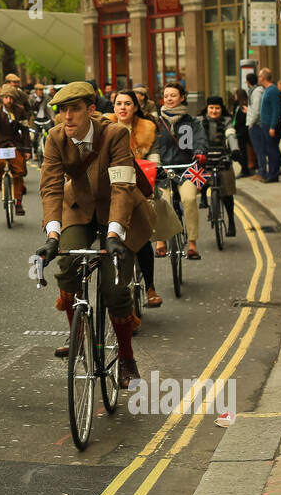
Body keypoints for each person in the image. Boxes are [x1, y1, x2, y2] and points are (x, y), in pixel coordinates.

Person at [36, 82, 154, 385]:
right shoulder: (55, 137)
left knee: (115, 288)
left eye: (74, 109)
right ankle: (81, 335)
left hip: (120, 210)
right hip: (79, 207)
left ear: (90, 110)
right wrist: (52, 235)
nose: (67, 117)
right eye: (62, 110)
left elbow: (123, 186)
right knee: (67, 266)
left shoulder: (115, 134)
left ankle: (127, 357)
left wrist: (114, 234)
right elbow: (50, 188)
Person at [107, 89, 163, 305]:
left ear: (136, 107)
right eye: (118, 103)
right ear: (113, 107)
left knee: (140, 238)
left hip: (139, 187)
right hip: (112, 189)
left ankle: (150, 287)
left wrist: (154, 170)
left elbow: (153, 157)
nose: (122, 107)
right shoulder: (105, 127)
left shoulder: (148, 128)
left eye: (127, 103)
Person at [154, 81, 207, 259]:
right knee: (161, 202)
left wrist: (199, 152)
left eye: (173, 95)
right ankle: (160, 240)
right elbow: (149, 145)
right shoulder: (155, 122)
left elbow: (200, 140)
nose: (169, 99)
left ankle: (192, 244)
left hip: (186, 170)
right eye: (166, 95)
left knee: (190, 199)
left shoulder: (192, 122)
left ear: (182, 97)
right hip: (162, 171)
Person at [199, 94, 239, 233]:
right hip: (205, 156)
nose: (214, 111)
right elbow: (196, 138)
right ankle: (203, 195)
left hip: (223, 156)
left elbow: (231, 135)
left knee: (227, 191)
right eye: (211, 108)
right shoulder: (200, 121)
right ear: (207, 108)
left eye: (217, 108)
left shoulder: (227, 120)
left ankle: (232, 222)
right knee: (197, 177)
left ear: (222, 109)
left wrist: (235, 150)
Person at [0, 84, 31, 216]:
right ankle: (0, 176)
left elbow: (25, 130)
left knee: (18, 171)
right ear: (2, 98)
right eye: (6, 97)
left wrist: (27, 149)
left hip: (15, 144)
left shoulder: (20, 111)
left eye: (11, 98)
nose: (9, 100)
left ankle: (18, 203)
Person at [257, 68, 281, 182]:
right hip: (265, 124)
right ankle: (272, 172)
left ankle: (273, 174)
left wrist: (273, 126)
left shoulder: (272, 90)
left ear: (263, 78)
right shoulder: (267, 90)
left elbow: (276, 110)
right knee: (268, 149)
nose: (258, 78)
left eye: (259, 76)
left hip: (269, 125)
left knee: (272, 149)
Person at [231, 87, 252, 178]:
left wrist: (235, 126)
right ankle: (246, 167)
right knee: (243, 151)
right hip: (241, 130)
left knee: (242, 151)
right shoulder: (239, 105)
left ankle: (245, 169)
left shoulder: (242, 106)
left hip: (242, 131)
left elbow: (241, 119)